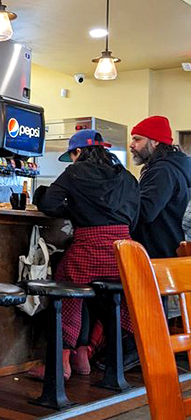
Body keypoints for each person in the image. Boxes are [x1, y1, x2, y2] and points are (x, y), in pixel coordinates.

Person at [32, 129, 139, 379]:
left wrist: (73, 209)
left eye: (72, 155)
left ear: (78, 151)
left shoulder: (75, 172)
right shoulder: (126, 176)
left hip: (89, 251)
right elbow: (135, 217)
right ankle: (82, 356)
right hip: (123, 254)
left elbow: (49, 204)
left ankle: (61, 364)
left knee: (66, 288)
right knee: (97, 296)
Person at [130, 116, 191, 258]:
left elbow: (145, 212)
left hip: (161, 255)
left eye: (137, 139)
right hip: (171, 250)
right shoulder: (174, 166)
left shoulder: (162, 170)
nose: (131, 145)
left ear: (155, 141)